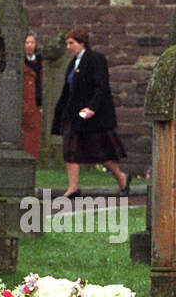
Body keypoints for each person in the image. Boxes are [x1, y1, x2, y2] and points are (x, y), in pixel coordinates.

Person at [50, 26, 129, 198]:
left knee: (104, 155)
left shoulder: (96, 59)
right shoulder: (73, 63)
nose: (68, 47)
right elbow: (69, 90)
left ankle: (122, 179)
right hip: (74, 115)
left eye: (71, 43)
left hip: (93, 117)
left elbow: (101, 87)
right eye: (67, 43)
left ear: (82, 42)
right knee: (70, 152)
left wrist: (92, 108)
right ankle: (73, 188)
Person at [21, 33, 43, 160]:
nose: (29, 46)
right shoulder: (21, 63)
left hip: (35, 105)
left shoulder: (39, 63)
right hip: (24, 103)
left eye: (32, 43)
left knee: (33, 138)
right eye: (27, 43)